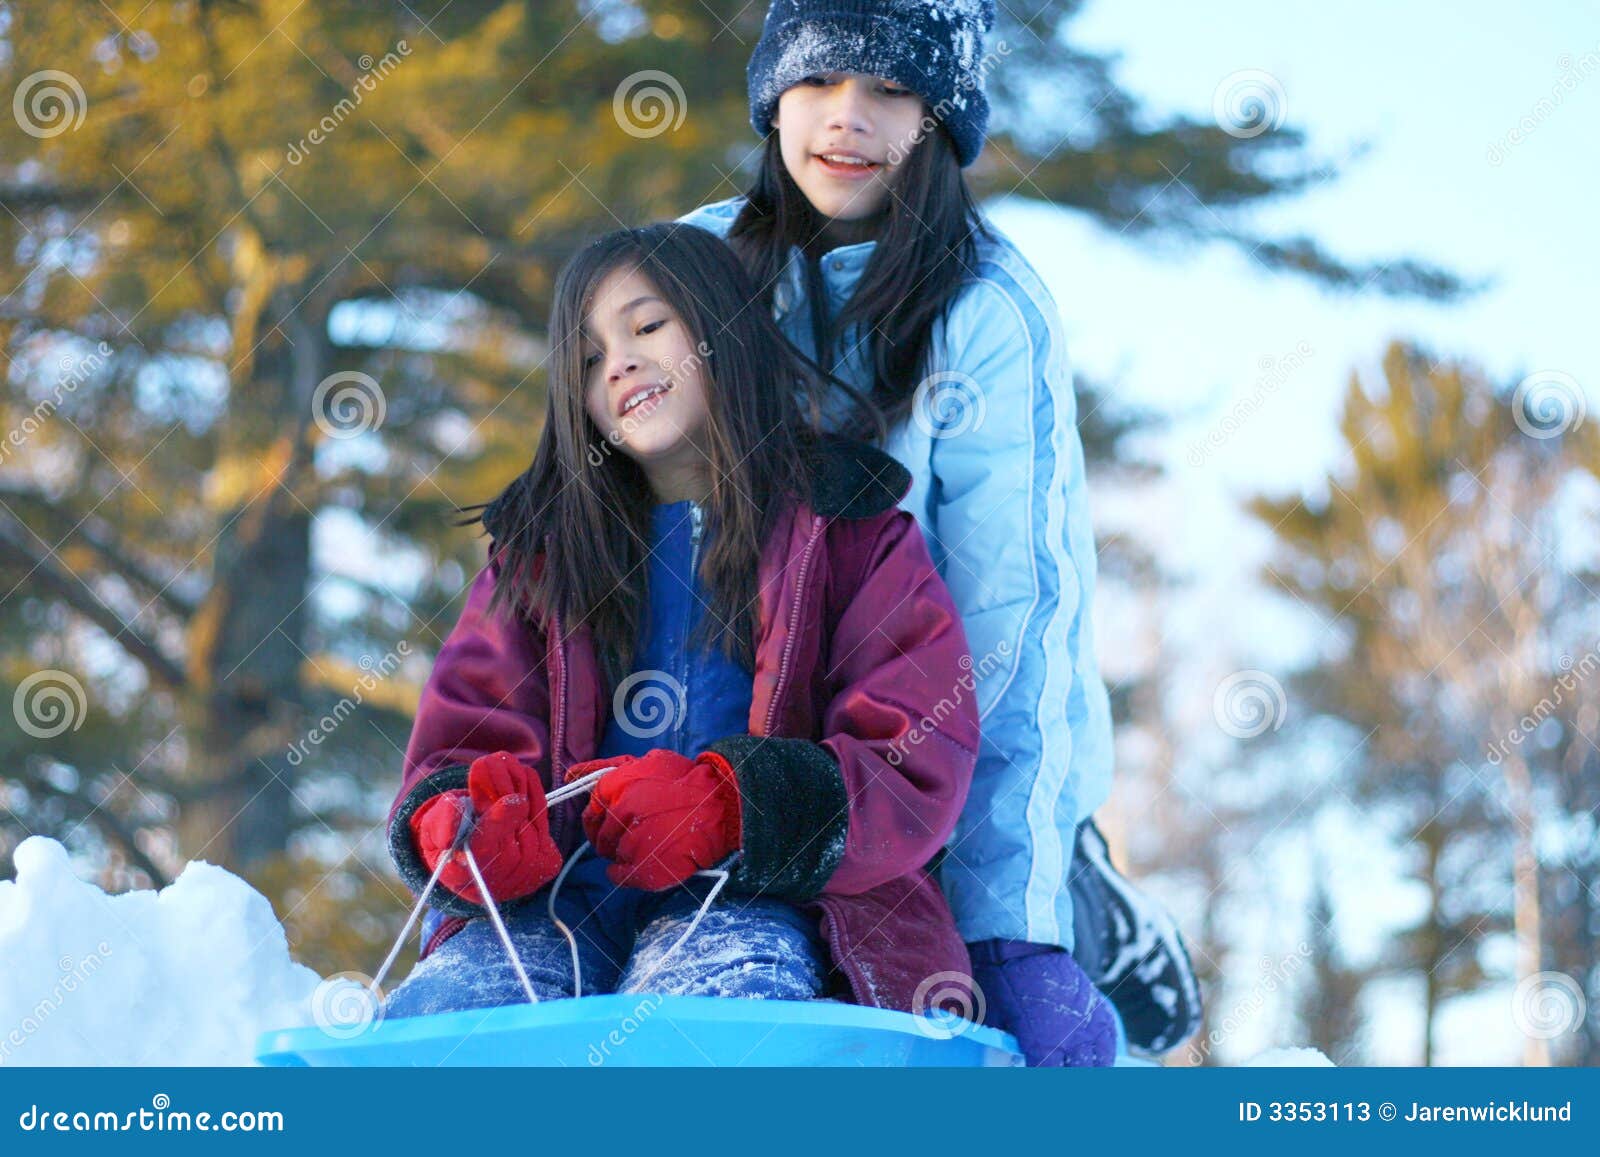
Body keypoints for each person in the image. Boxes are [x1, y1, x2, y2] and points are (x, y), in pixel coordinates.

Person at [677, 0, 1202, 1061]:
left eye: (891, 89)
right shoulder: (685, 276)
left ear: (940, 119)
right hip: (720, 728)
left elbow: (1017, 614)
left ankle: (1076, 897)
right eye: (820, 80)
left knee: (936, 953)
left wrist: (1015, 926)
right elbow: (595, 547)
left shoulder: (987, 311)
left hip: (915, 746)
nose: (848, 118)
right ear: (773, 93)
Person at [382, 222, 987, 1023]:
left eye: (646, 326)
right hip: (555, 907)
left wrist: (734, 810)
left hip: (779, 908)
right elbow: (463, 742)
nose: (619, 363)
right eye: (589, 357)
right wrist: (463, 826)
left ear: (722, 328)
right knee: (463, 1019)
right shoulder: (536, 562)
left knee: (714, 1014)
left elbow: (914, 755)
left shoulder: (852, 533)